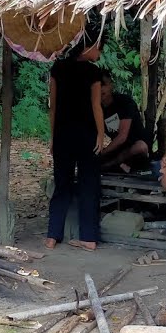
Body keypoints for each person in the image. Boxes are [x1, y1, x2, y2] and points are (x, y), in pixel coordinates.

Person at [45, 34, 106, 251]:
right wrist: (101, 133)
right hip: (87, 135)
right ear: (87, 47)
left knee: (62, 184)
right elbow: (96, 106)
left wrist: (53, 137)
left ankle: (52, 236)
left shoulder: (58, 69)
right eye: (98, 47)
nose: (99, 52)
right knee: (89, 184)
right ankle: (88, 237)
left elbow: (53, 107)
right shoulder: (93, 72)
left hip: (63, 134)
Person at [98, 71, 150, 173]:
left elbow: (122, 137)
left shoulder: (124, 102)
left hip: (135, 150)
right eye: (97, 86)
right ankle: (117, 165)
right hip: (117, 150)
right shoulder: (97, 109)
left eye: (103, 84)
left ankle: (115, 164)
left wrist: (102, 153)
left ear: (111, 85)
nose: (100, 89)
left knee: (140, 147)